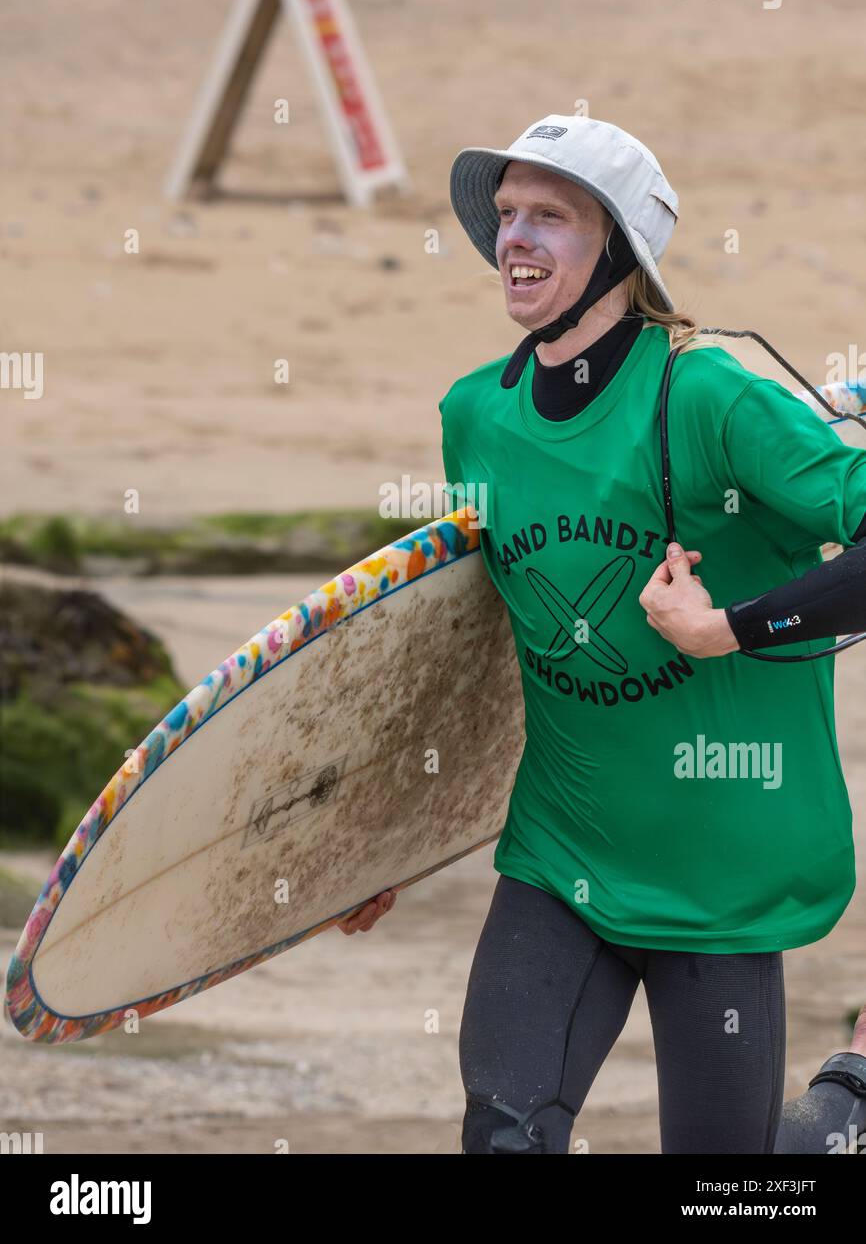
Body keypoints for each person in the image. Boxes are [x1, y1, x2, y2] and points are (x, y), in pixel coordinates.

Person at [342, 113, 866, 1155]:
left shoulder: (712, 397)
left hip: (718, 864)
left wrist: (728, 628)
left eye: (550, 217)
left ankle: (848, 1100)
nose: (514, 242)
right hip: (561, 854)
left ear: (620, 248)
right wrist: (383, 837)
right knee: (502, 1135)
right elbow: (482, 635)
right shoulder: (474, 415)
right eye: (504, 217)